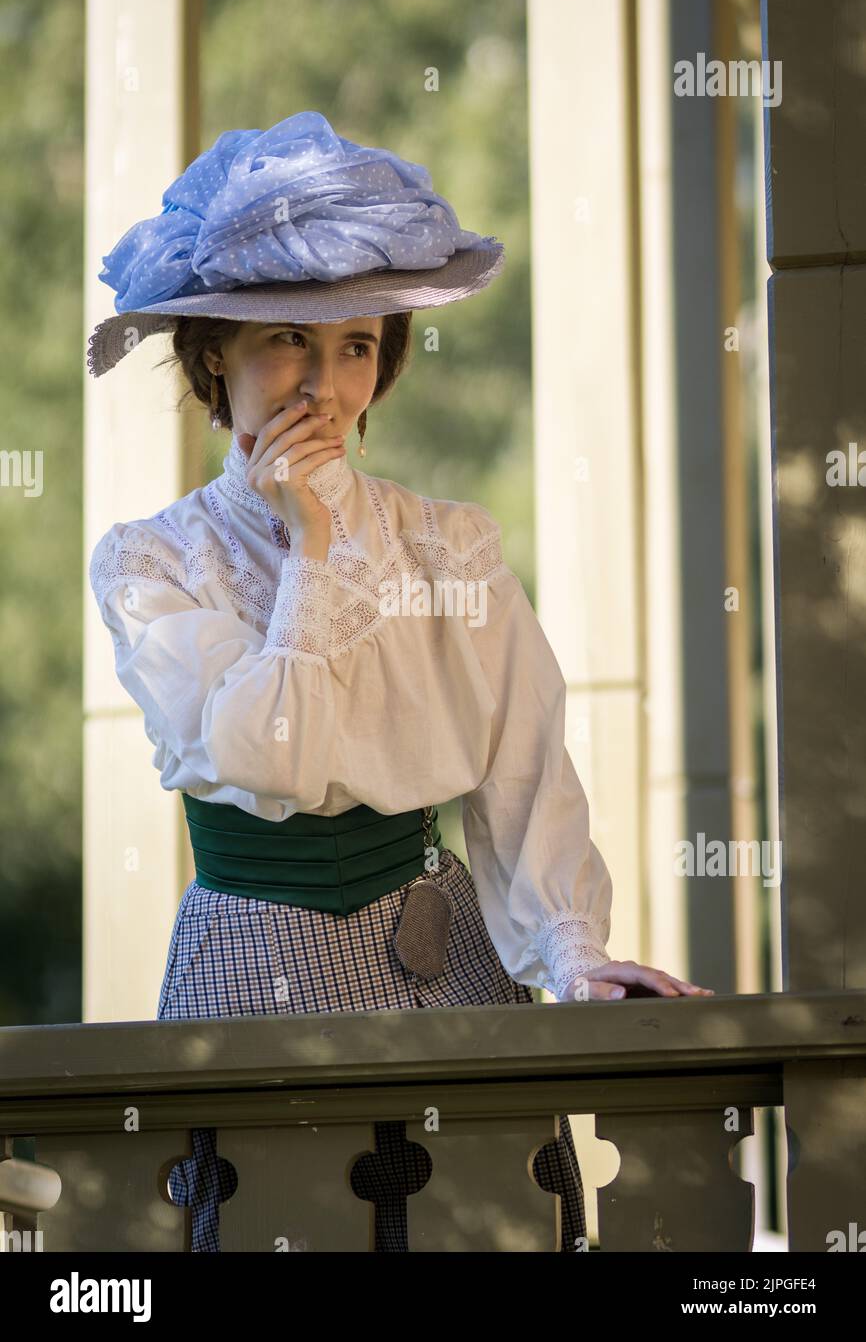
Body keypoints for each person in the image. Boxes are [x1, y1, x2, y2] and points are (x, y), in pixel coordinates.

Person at [87, 110, 712, 1253]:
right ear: (212, 350)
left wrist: (574, 961)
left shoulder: (451, 547)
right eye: (286, 341)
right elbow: (262, 749)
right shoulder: (151, 560)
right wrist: (318, 550)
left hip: (443, 961)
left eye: (357, 346)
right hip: (249, 974)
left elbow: (520, 771)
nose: (323, 385)